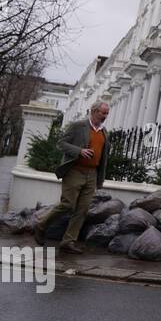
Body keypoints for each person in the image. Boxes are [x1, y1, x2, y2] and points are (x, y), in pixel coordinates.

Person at [34, 102, 110, 254]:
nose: (105, 116)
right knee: (68, 204)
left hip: (92, 174)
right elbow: (61, 143)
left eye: (107, 113)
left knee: (83, 209)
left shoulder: (104, 132)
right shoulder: (78, 126)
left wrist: (99, 180)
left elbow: (103, 158)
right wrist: (79, 151)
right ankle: (41, 224)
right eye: (103, 113)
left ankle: (68, 241)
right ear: (94, 111)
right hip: (75, 171)